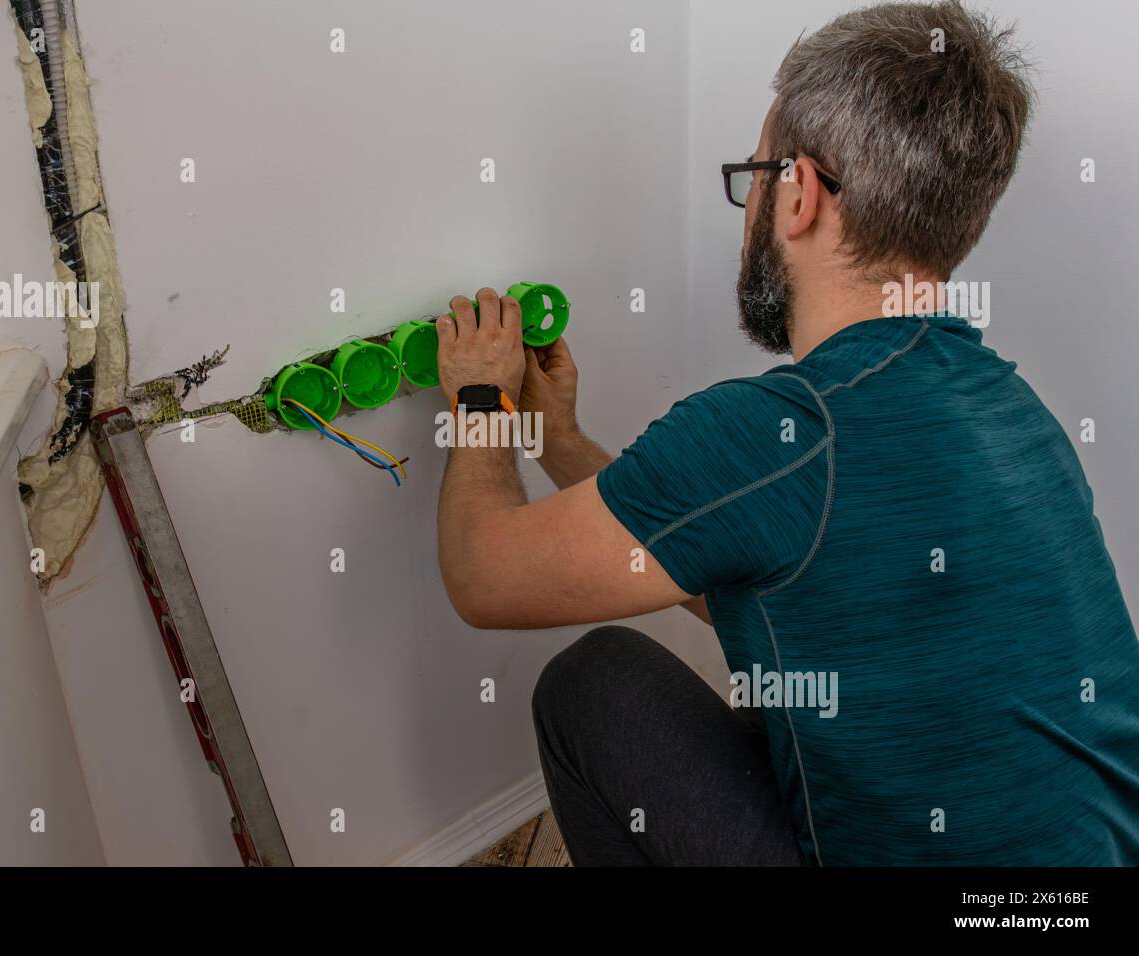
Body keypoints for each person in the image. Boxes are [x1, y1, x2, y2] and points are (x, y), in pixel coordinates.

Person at [433, 0, 1139, 865]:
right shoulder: (1013, 413)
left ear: (798, 193)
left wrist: (479, 402)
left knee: (596, 683)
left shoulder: (778, 430)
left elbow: (483, 576)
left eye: (757, 174)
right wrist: (557, 441)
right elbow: (756, 573)